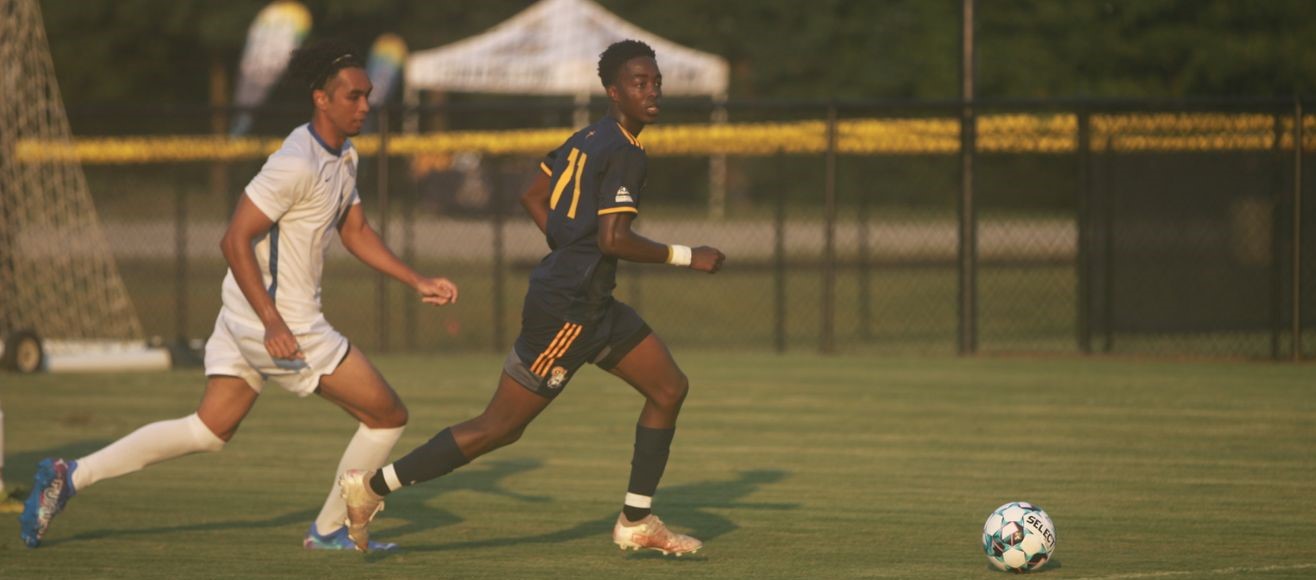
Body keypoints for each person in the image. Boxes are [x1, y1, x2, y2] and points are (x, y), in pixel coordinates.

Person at [19, 39, 459, 550]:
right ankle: (330, 528)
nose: (365, 106)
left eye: (368, 96)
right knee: (387, 415)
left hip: (244, 315)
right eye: (354, 97)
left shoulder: (344, 156)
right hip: (280, 322)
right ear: (321, 99)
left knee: (208, 430)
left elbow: (355, 231)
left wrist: (417, 280)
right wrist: (273, 323)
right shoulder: (295, 162)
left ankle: (69, 474)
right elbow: (233, 238)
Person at [338, 39, 725, 556]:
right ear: (614, 92)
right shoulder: (623, 152)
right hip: (567, 311)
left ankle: (636, 520)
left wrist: (569, 245)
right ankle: (370, 487)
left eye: (655, 81)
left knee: (669, 388)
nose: (652, 90)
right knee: (499, 428)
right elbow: (614, 240)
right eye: (639, 83)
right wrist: (686, 255)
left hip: (595, 304)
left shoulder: (590, 136)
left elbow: (532, 195)